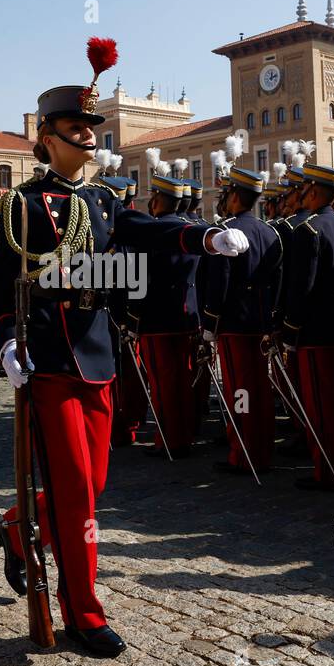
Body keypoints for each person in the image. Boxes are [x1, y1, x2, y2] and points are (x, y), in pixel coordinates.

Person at [0, 43, 248, 657]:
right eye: (77, 129)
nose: (89, 138)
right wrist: (3, 343)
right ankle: (84, 614)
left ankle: (18, 530)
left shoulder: (101, 201)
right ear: (48, 138)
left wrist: (202, 235)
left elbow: (144, 231)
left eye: (91, 129)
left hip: (97, 353)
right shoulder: (21, 204)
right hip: (48, 359)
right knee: (75, 489)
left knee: (93, 482)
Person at [279, 157, 334, 491]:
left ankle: (328, 472)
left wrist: (290, 330)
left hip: (314, 330)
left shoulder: (308, 230)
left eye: (304, 189)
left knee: (321, 408)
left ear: (313, 191)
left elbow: (302, 288)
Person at [201, 158, 282, 475]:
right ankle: (262, 447)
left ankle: (243, 450)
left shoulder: (226, 232)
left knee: (240, 391)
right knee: (259, 388)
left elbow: (218, 283)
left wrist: (210, 323)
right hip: (261, 321)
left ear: (235, 196)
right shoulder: (270, 232)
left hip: (234, 323)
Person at [125, 171, 201, 458]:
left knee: (162, 384)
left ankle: (168, 439)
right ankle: (185, 435)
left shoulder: (149, 233)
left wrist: (133, 318)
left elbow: (137, 280)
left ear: (158, 199)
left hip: (156, 319)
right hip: (186, 316)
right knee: (183, 379)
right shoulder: (191, 230)